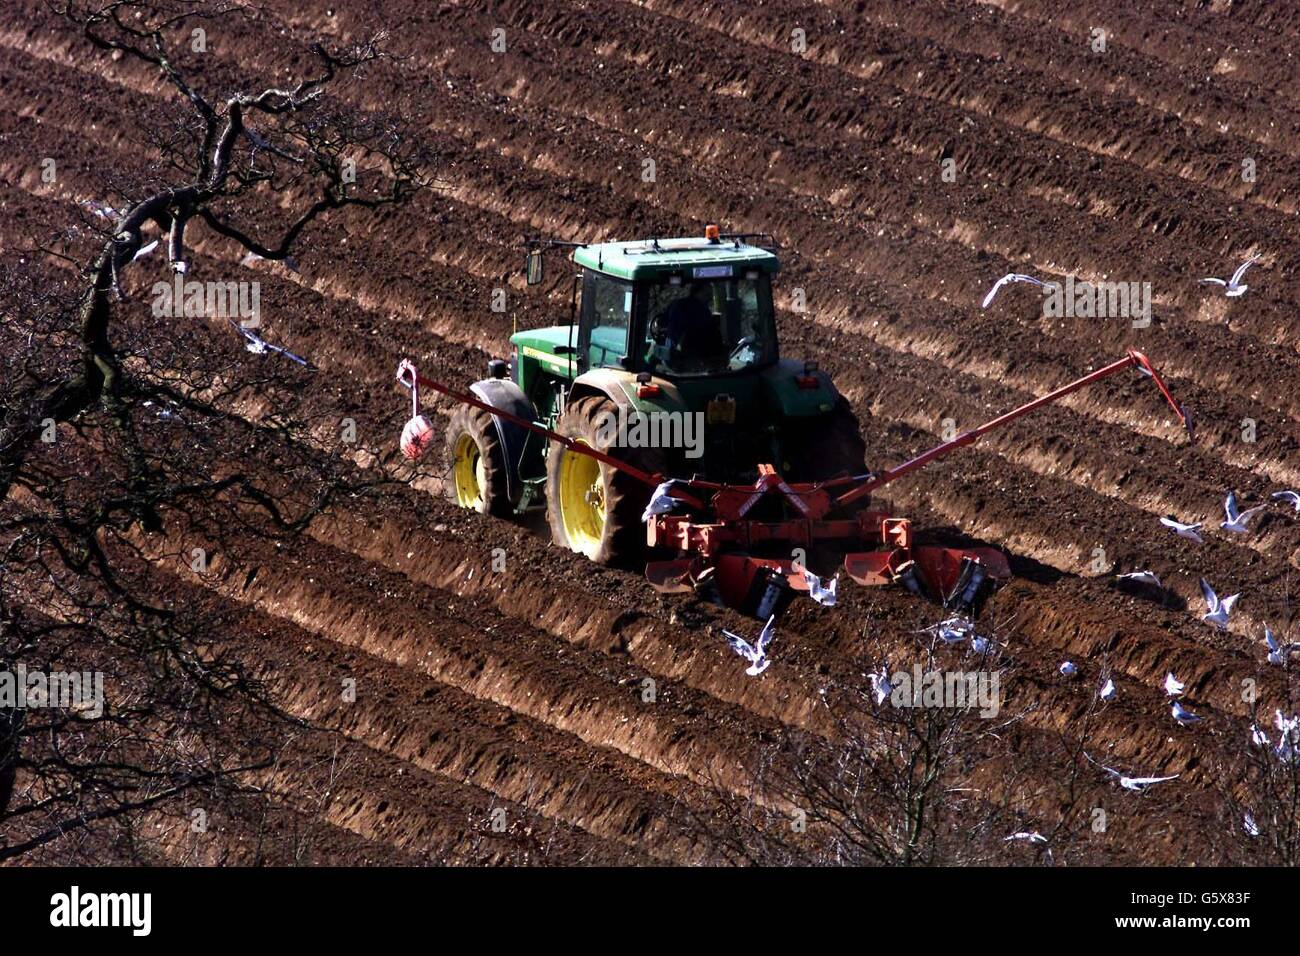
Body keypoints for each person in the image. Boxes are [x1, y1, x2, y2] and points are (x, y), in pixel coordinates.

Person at [661, 283, 724, 365]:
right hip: (694, 358)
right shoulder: (703, 311)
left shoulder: (676, 304)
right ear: (698, 292)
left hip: (672, 358)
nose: (710, 297)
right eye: (708, 294)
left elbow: (661, 323)